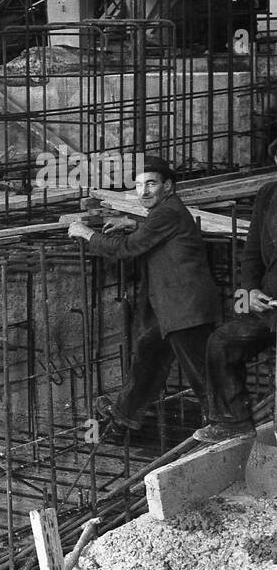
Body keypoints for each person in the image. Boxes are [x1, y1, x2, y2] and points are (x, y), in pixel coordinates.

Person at [67, 156, 219, 433]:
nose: (144, 192)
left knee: (201, 373)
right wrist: (132, 225)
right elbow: (156, 235)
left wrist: (87, 234)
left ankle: (223, 425)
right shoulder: (165, 212)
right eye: (138, 186)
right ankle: (125, 415)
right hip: (172, 307)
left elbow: (127, 249)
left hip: (187, 309)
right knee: (148, 354)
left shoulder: (167, 213)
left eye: (151, 184)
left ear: (168, 186)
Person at [198, 138, 277, 442]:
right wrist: (250, 292)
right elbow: (252, 253)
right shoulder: (269, 194)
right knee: (221, 342)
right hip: (268, 307)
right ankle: (233, 421)